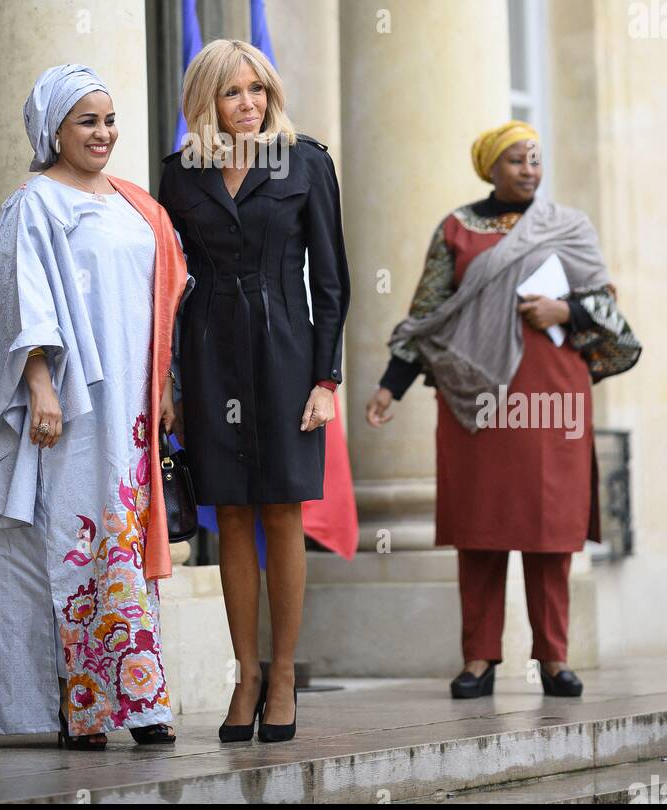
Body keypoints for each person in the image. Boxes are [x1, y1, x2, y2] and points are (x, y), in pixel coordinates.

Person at [0, 64, 193, 748]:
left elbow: (162, 305)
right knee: (68, 542)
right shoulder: (34, 202)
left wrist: (165, 384)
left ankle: (142, 700)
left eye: (110, 120)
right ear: (54, 131)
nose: (103, 133)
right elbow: (23, 299)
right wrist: (40, 387)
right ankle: (81, 705)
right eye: (88, 121)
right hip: (72, 407)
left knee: (124, 543)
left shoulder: (138, 206)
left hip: (132, 412)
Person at [366, 122, 641, 699]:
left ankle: (554, 659)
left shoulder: (568, 226)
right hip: (477, 399)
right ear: (490, 166)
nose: (529, 169)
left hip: (552, 396)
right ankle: (479, 659)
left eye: (536, 159)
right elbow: (428, 314)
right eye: (517, 160)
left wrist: (564, 309)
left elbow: (607, 307)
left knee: (551, 531)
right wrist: (392, 385)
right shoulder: (457, 229)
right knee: (481, 528)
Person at [158, 39, 350, 743]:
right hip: (209, 357)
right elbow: (167, 290)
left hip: (286, 356)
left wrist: (327, 378)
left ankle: (285, 674)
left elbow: (331, 283)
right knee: (230, 515)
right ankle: (245, 675)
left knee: (281, 510)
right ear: (206, 100)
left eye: (258, 90)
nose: (249, 104)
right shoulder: (179, 176)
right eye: (234, 92)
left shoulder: (306, 162)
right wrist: (169, 380)